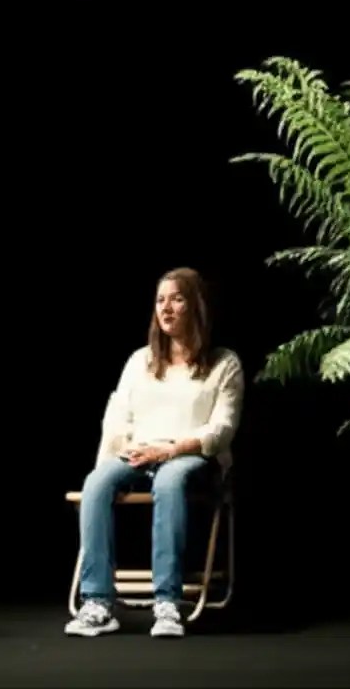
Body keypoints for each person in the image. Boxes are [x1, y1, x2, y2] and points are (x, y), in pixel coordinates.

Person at [65, 267, 244, 639]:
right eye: (161, 300)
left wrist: (172, 449)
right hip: (140, 454)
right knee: (96, 483)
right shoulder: (140, 361)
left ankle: (167, 602)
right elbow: (117, 417)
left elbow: (222, 428)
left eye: (177, 299)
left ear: (196, 306)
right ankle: (97, 600)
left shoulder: (223, 363)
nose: (167, 308)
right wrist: (118, 458)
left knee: (170, 477)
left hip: (193, 457)